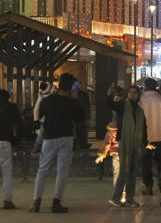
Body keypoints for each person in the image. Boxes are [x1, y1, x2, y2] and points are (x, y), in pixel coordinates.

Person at [30, 73, 83, 214]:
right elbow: (79, 118)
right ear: (71, 87)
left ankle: (36, 202)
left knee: (42, 169)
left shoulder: (48, 100)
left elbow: (39, 114)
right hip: (66, 137)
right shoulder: (72, 103)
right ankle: (56, 202)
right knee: (62, 171)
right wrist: (74, 99)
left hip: (49, 137)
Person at [106, 84, 147, 207]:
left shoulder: (140, 111)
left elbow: (144, 128)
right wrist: (109, 95)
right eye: (130, 92)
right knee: (125, 170)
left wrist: (145, 143)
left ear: (139, 95)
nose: (132, 94)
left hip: (136, 143)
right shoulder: (123, 105)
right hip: (124, 141)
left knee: (133, 172)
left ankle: (129, 198)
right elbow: (111, 105)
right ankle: (115, 197)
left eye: (135, 92)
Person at [139, 78, 161, 195]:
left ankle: (148, 186)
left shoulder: (141, 99)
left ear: (145, 86)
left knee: (146, 162)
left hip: (146, 136)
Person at [94, 119, 120, 187]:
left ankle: (117, 190)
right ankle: (124, 191)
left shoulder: (111, 131)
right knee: (126, 173)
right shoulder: (127, 126)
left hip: (116, 153)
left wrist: (102, 154)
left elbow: (107, 143)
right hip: (126, 152)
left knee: (117, 172)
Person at [31, 81, 52, 155]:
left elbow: (36, 109)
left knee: (42, 133)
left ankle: (38, 149)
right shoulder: (45, 97)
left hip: (41, 119)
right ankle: (36, 149)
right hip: (44, 119)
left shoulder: (40, 96)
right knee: (41, 134)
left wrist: (36, 119)